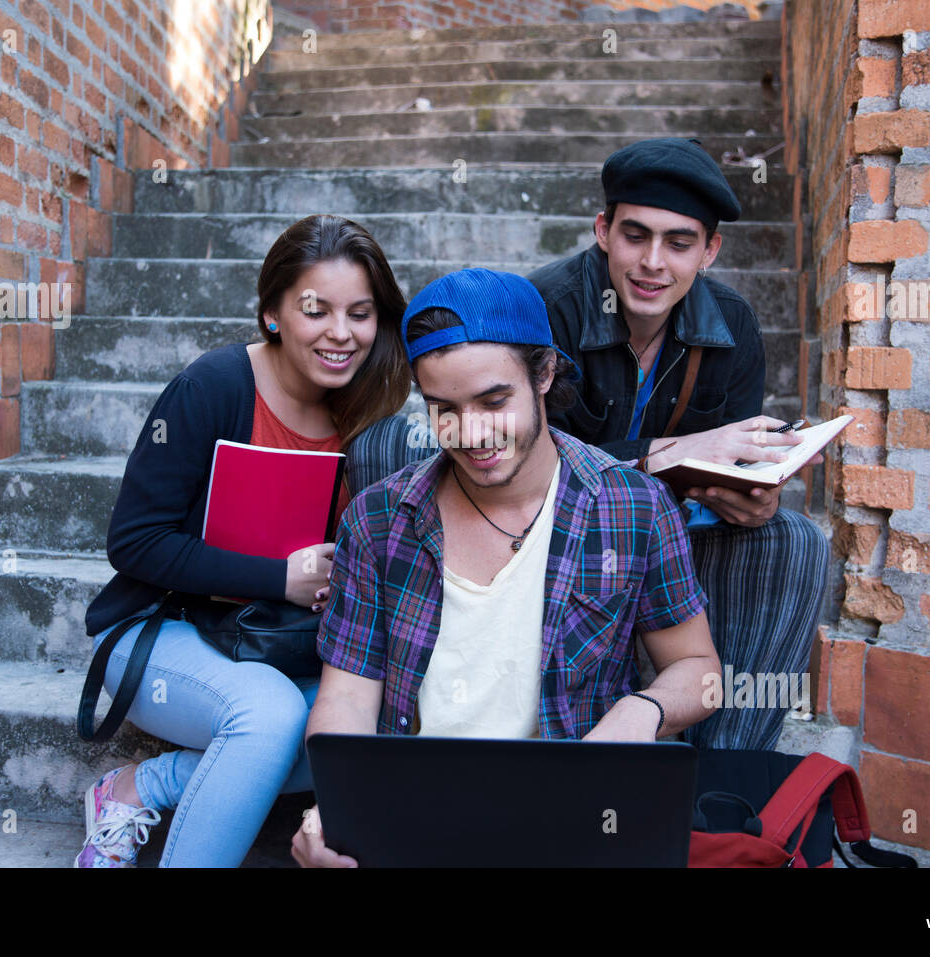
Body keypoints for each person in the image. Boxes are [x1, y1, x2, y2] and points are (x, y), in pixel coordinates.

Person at [291, 268, 720, 868]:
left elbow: (700, 671)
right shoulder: (378, 518)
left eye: (495, 401)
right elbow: (346, 702)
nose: (474, 434)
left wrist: (642, 710)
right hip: (412, 826)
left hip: (574, 827)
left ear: (544, 374)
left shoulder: (632, 506)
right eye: (446, 409)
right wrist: (334, 807)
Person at [76, 215, 410, 867]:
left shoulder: (371, 412)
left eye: (361, 313)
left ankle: (142, 785)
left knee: (377, 726)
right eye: (316, 310)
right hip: (165, 634)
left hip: (285, 642)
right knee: (271, 712)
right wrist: (281, 578)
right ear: (273, 314)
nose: (341, 333)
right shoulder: (213, 386)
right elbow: (135, 541)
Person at [525, 137, 829, 751]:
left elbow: (733, 466)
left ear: (710, 251)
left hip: (674, 533)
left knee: (794, 537)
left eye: (679, 243)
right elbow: (521, 462)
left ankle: (725, 771)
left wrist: (753, 497)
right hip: (558, 533)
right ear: (604, 230)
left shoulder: (733, 324)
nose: (653, 263)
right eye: (636, 235)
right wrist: (663, 453)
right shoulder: (546, 308)